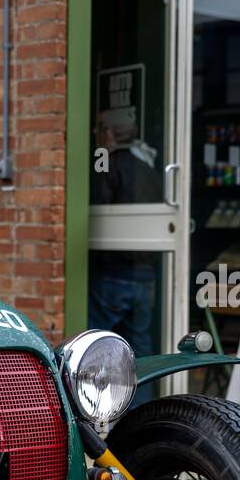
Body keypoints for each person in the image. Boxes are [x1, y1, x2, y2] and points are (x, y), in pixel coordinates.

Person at [89, 108, 162, 370]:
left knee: (92, 347)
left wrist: (101, 153)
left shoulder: (106, 162)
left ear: (109, 133)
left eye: (99, 128)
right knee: (140, 351)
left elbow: (96, 205)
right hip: (145, 276)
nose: (95, 133)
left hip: (113, 274)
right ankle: (145, 408)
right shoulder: (148, 167)